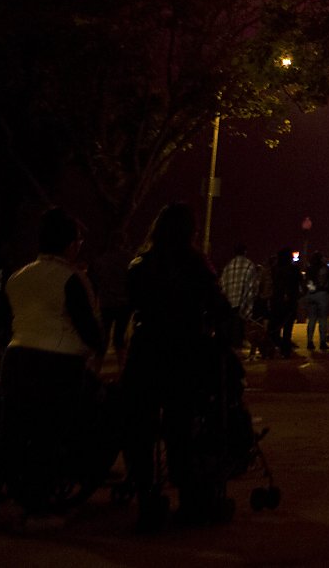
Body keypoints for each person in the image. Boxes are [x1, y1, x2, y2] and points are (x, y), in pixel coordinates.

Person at [0, 208, 102, 520]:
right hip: (58, 363)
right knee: (49, 433)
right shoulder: (72, 278)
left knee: (10, 433)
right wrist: (97, 351)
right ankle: (33, 499)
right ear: (71, 244)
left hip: (18, 359)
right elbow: (89, 329)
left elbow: (6, 322)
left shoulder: (19, 276)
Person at [123, 202, 236, 528]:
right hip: (183, 353)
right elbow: (218, 308)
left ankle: (146, 497)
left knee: (141, 430)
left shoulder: (139, 265)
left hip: (146, 352)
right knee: (180, 429)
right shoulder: (195, 264)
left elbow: (134, 306)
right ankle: (189, 499)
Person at [266, 249, 302, 359]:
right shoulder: (294, 269)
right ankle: (285, 350)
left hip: (276, 301)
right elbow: (299, 283)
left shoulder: (274, 269)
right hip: (290, 301)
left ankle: (277, 347)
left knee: (275, 328)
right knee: (287, 328)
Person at [219, 243, 262, 321]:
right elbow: (253, 287)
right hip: (242, 305)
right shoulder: (249, 265)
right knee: (239, 329)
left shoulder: (227, 266)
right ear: (245, 252)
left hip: (228, 305)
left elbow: (222, 285)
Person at [302, 251, 329, 352]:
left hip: (311, 294)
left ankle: (310, 342)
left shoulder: (309, 268)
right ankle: (322, 342)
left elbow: (307, 282)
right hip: (322, 294)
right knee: (322, 320)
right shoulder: (324, 268)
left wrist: (312, 290)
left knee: (312, 319)